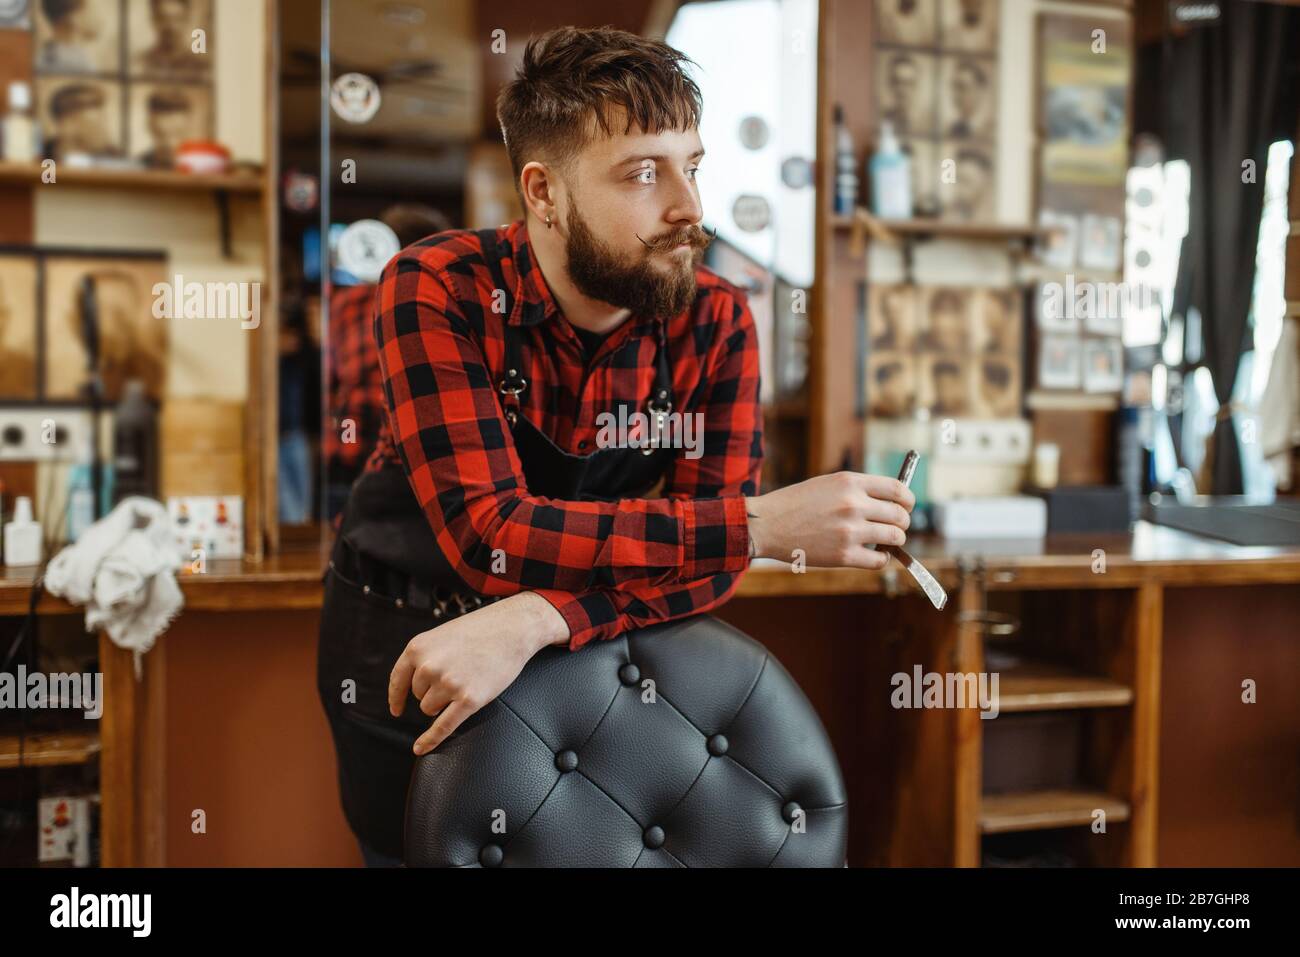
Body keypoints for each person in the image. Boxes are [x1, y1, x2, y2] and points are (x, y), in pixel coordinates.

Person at [316, 25, 916, 868]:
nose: (689, 209)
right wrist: (756, 523)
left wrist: (540, 617)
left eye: (693, 166)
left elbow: (708, 571)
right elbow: (495, 532)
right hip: (414, 648)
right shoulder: (438, 287)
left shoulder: (716, 321)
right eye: (643, 172)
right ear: (544, 192)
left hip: (593, 661)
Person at [324, 204, 451, 521]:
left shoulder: (344, 302)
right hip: (402, 452)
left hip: (345, 444)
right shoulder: (426, 302)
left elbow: (333, 376)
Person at [43, 83, 118, 161]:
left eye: (104, 122)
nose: (104, 131)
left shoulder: (113, 157)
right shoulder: (40, 158)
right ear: (67, 123)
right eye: (95, 125)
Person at [134, 0, 207, 76]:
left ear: (187, 20)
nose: (171, 26)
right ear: (154, 19)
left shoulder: (201, 68)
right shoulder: (141, 64)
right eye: (164, 18)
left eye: (177, 19)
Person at [37, 0, 101, 73]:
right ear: (70, 17)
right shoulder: (76, 61)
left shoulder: (46, 53)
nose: (89, 15)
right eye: (83, 10)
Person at [137, 88, 193, 168]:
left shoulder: (201, 168)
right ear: (149, 126)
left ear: (188, 126)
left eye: (176, 133)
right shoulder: (137, 167)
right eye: (161, 134)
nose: (169, 143)